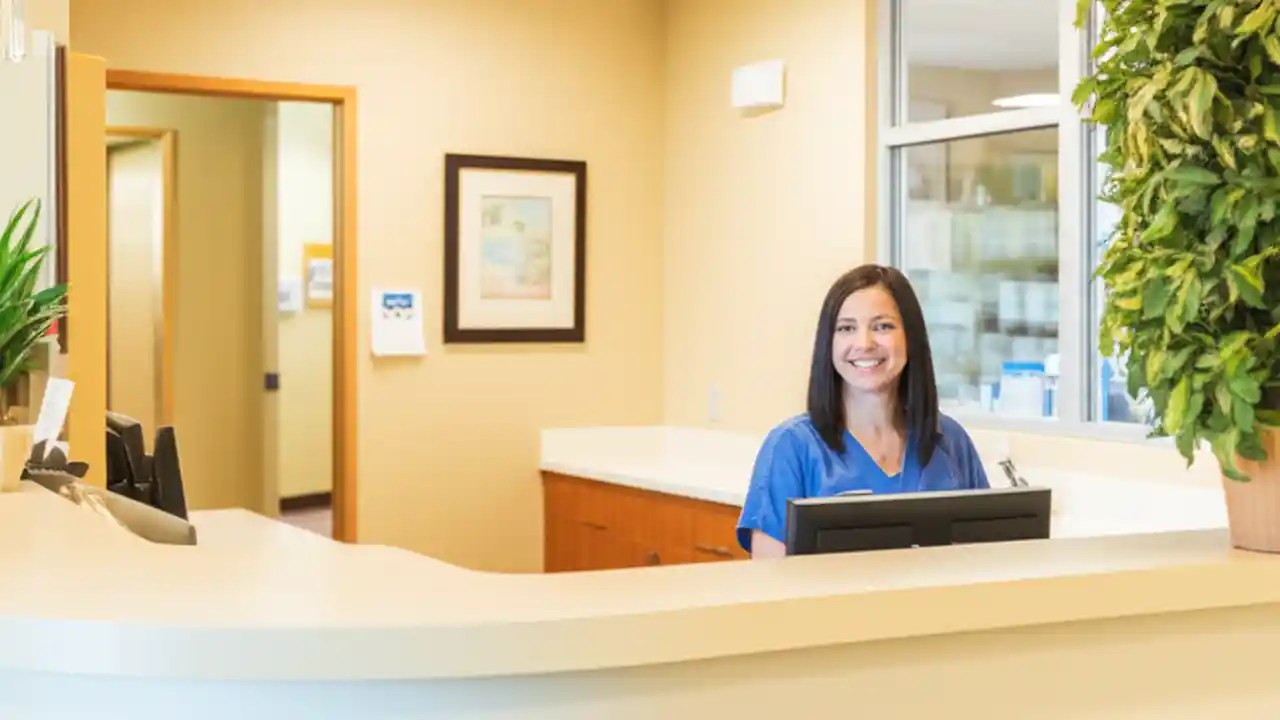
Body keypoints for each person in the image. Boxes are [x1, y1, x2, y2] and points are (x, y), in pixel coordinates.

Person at [736, 264, 990, 558]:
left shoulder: (950, 442)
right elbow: (771, 587)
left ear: (910, 336)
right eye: (846, 328)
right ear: (828, 344)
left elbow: (984, 565)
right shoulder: (791, 448)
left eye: (882, 326)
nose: (864, 343)